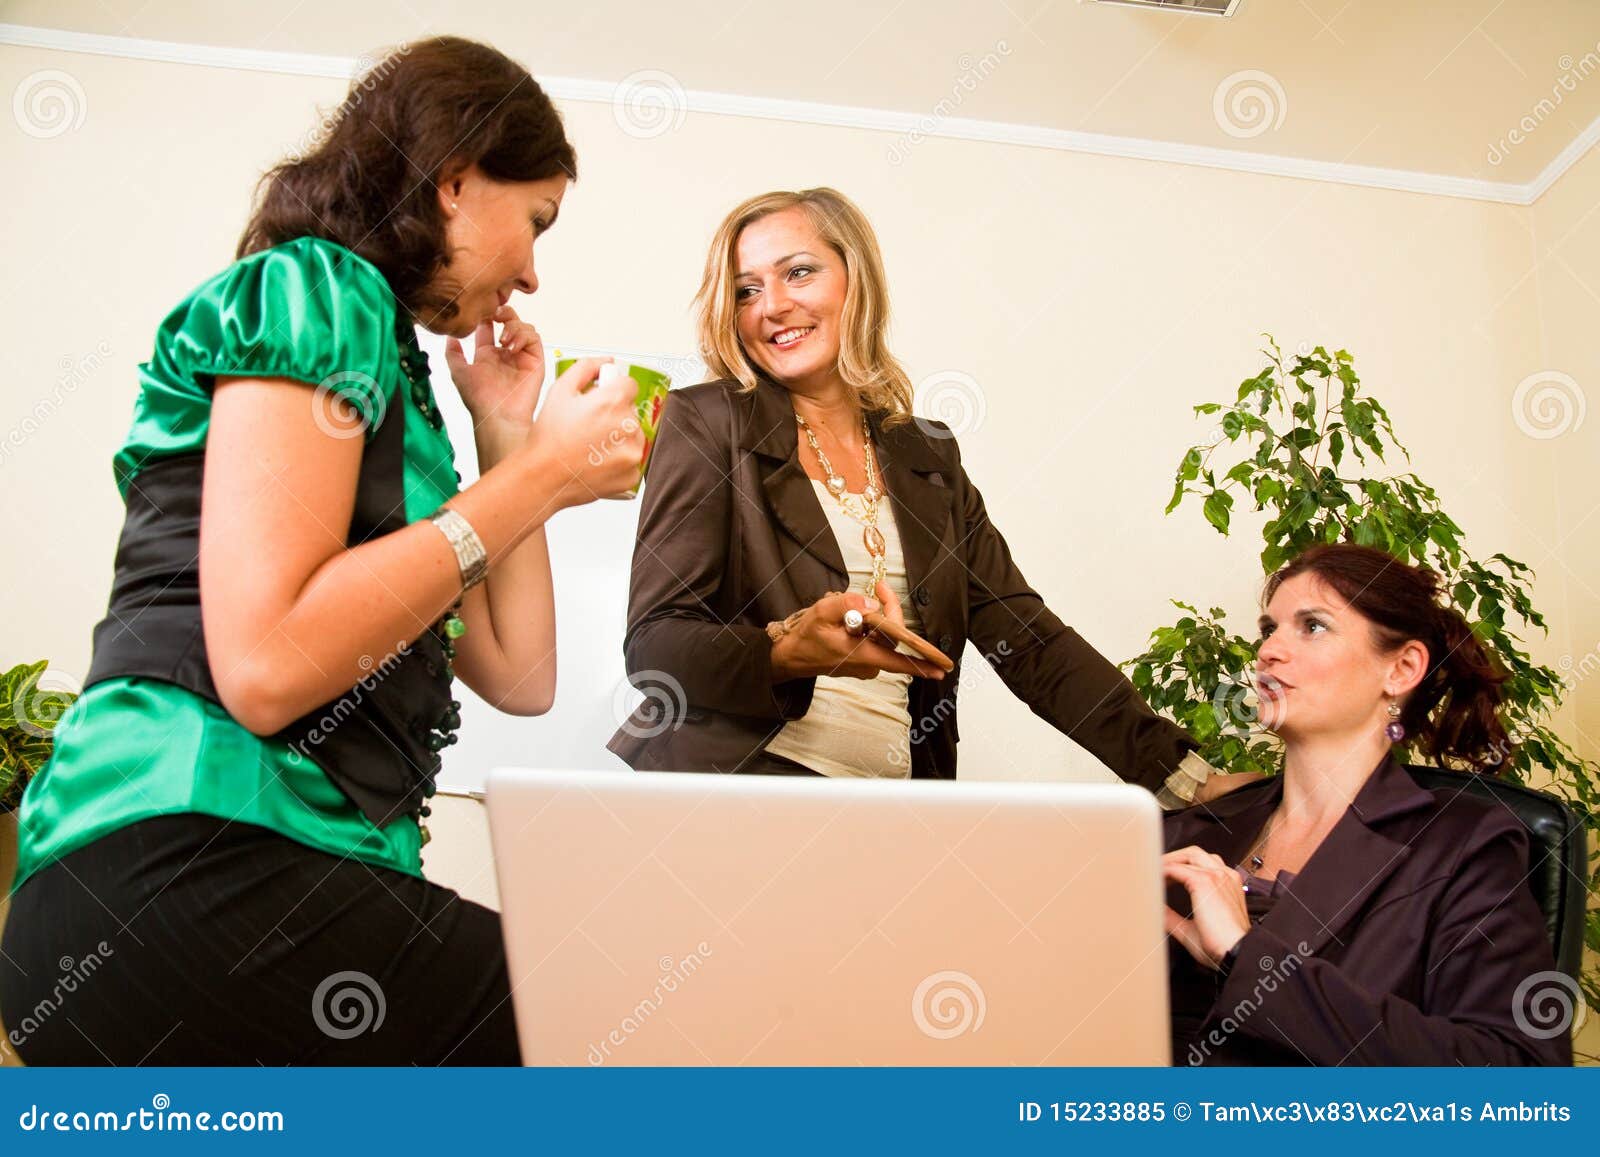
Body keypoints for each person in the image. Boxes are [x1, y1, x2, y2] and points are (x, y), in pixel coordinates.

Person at [0, 37, 643, 1065]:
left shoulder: (403, 392)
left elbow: (520, 673)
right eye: (535, 221)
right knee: (608, 1030)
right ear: (455, 180)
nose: (531, 268)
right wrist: (549, 477)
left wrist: (508, 444)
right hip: (185, 855)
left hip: (234, 886)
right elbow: (264, 668)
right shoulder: (316, 288)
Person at [607, 187, 1253, 807]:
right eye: (746, 290)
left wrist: (1183, 776)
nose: (770, 305)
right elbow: (656, 643)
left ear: (855, 280)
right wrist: (783, 649)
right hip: (735, 789)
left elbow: (1027, 639)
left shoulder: (926, 454)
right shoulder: (706, 422)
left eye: (797, 273)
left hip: (891, 808)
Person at [1163, 543, 1572, 1066]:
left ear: (1401, 669)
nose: (1268, 651)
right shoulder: (1193, 830)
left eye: (1312, 626)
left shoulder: (1466, 845)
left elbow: (1519, 1087)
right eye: (1269, 629)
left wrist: (1246, 955)